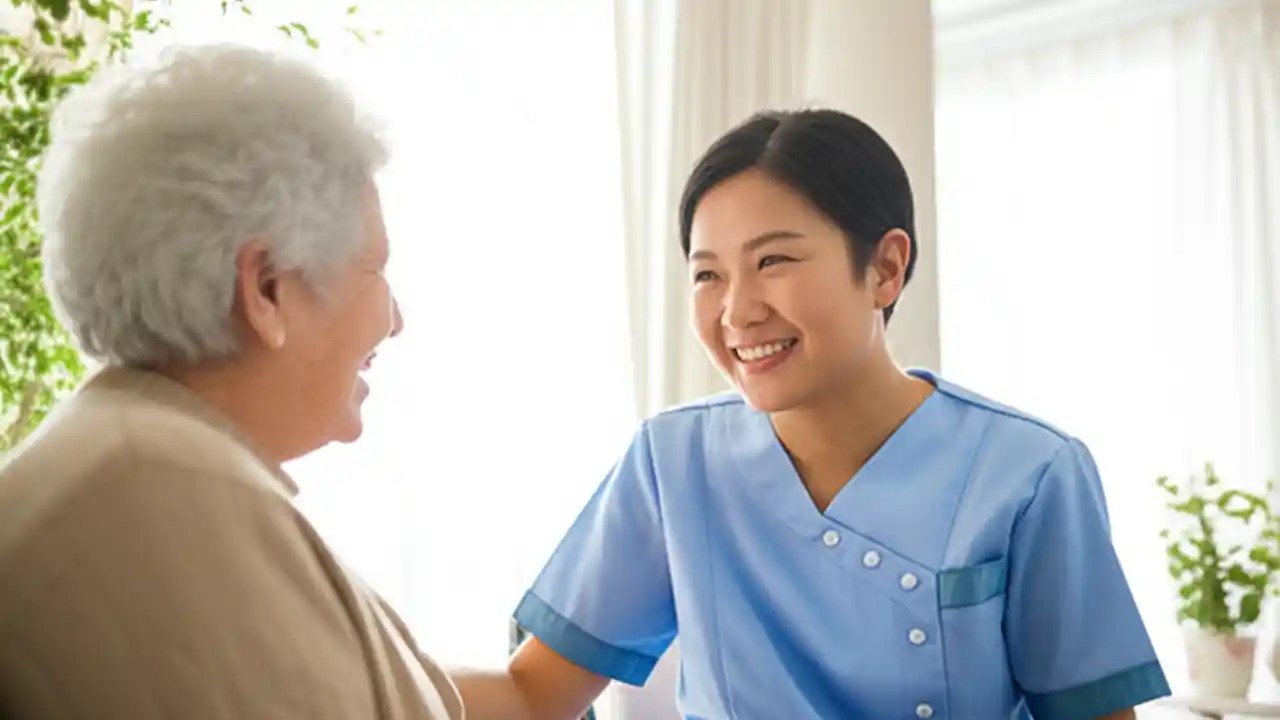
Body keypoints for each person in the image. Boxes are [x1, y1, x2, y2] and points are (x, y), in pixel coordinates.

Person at [454, 109, 1172, 719]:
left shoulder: (1027, 473)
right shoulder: (673, 463)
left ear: (885, 268)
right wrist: (381, 670)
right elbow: (531, 694)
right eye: (708, 274)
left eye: (774, 262)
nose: (738, 310)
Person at [0, 45, 460, 719]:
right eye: (375, 269)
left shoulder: (126, 453)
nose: (395, 321)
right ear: (266, 288)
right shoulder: (163, 490)